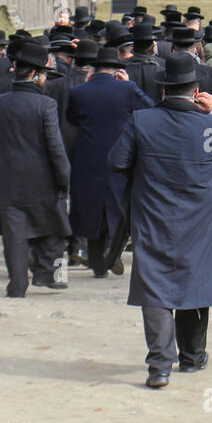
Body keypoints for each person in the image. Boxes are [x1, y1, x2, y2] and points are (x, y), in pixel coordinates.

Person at [109, 52, 212, 389]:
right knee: (197, 282)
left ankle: (159, 366)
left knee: (155, 288)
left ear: (163, 90)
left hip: (154, 216)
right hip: (204, 219)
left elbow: (116, 162)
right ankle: (192, 356)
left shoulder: (141, 121)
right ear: (196, 89)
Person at [0, 42, 73, 298]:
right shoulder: (45, 105)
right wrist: (64, 177)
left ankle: (17, 285)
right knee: (54, 230)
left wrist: (0, 168)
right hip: (43, 178)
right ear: (35, 74)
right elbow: (55, 147)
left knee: (14, 234)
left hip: (9, 177)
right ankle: (51, 277)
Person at [66, 46, 152, 277]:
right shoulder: (127, 89)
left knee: (92, 209)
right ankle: (112, 254)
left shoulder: (79, 91)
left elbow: (71, 118)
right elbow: (149, 109)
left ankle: (97, 262)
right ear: (117, 70)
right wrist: (128, 83)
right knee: (120, 208)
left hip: (88, 158)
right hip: (120, 158)